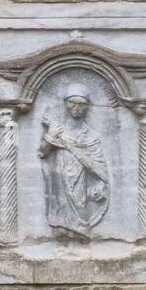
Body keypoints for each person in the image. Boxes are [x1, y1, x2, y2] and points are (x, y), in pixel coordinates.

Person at [38, 84, 110, 238]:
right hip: (58, 177)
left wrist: (100, 183)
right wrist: (50, 136)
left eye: (82, 104)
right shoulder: (57, 129)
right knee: (60, 211)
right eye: (73, 103)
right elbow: (43, 153)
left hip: (80, 178)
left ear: (87, 107)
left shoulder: (91, 135)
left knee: (80, 208)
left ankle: (80, 238)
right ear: (66, 104)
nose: (77, 108)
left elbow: (98, 165)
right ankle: (62, 240)